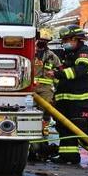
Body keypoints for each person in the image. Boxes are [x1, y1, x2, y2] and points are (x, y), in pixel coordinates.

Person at [52, 27, 88, 165]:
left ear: (75, 39)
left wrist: (58, 74)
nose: (64, 43)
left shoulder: (86, 53)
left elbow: (80, 70)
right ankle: (68, 155)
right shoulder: (69, 54)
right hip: (66, 99)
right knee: (64, 127)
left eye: (66, 40)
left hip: (83, 99)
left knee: (80, 126)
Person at [30, 29, 63, 161]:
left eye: (45, 42)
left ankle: (43, 140)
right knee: (30, 114)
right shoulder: (30, 53)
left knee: (45, 116)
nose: (42, 44)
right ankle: (31, 142)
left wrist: (56, 91)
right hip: (31, 89)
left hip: (46, 90)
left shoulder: (52, 56)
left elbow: (59, 71)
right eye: (40, 41)